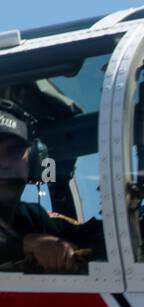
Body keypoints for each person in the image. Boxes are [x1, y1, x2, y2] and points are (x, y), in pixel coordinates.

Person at [0, 102, 89, 273]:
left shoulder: (35, 217)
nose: (3, 163)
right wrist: (27, 245)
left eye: (14, 150)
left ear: (34, 162)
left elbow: (89, 234)